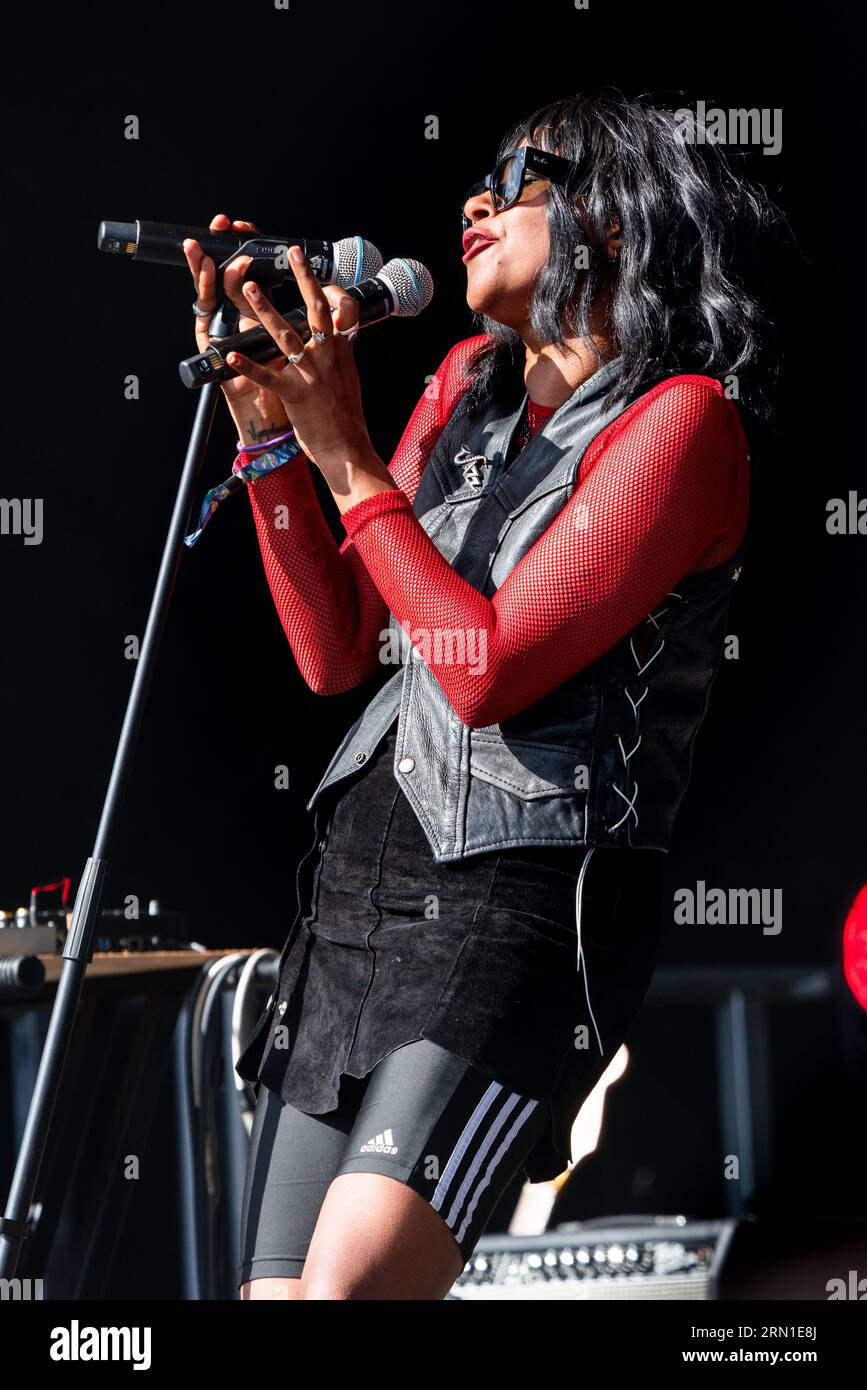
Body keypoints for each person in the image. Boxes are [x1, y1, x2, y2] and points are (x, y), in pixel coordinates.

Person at [183, 90, 780, 1301]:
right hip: (355, 899)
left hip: (518, 906)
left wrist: (346, 452)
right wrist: (271, 444)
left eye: (519, 181)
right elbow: (339, 650)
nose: (476, 201)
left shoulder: (682, 422)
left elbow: (490, 666)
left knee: (349, 1290)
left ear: (613, 220)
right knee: (280, 1299)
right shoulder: (465, 384)